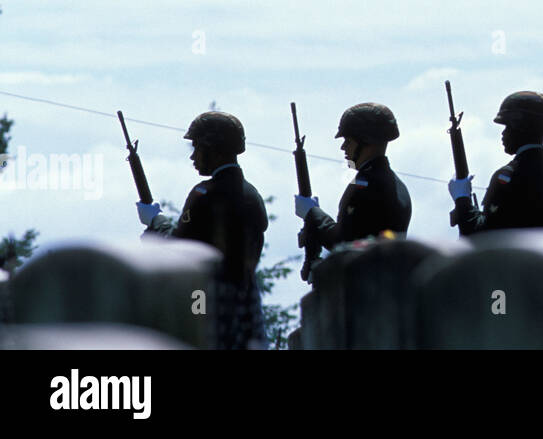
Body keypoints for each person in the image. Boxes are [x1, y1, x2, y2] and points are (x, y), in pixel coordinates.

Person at [136, 111, 268, 349]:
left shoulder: (204, 194)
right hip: (247, 300)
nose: (194, 156)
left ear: (214, 149)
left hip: (205, 299)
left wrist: (156, 221)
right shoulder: (253, 196)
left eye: (197, 147)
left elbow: (179, 247)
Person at [295, 103, 412, 254]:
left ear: (366, 142)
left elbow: (343, 242)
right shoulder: (396, 184)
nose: (343, 147)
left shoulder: (365, 187)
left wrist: (312, 213)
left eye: (348, 141)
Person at [449, 92, 543, 235]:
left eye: (508, 127)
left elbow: (481, 237)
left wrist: (462, 199)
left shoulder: (508, 176)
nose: (503, 134)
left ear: (520, 127)